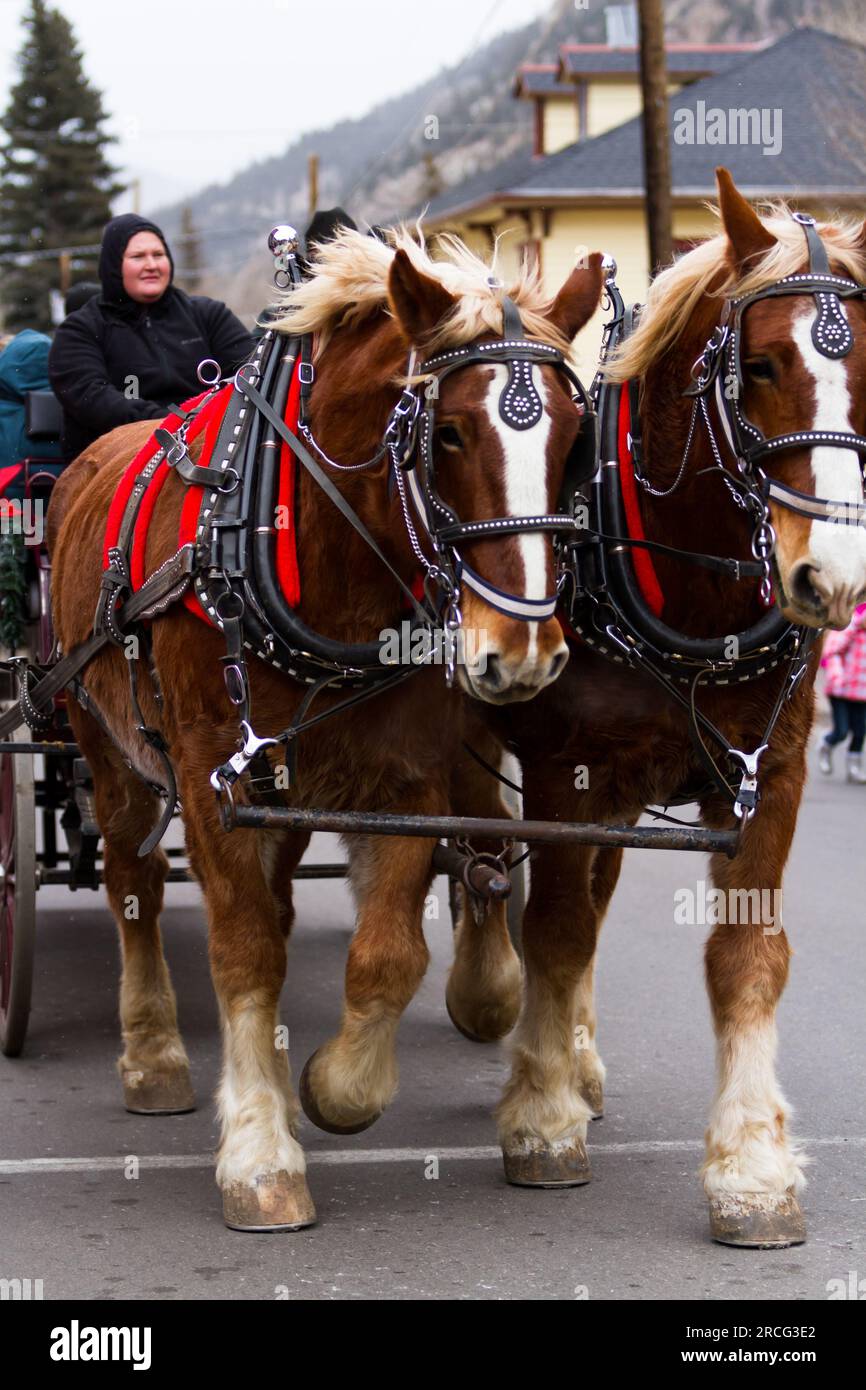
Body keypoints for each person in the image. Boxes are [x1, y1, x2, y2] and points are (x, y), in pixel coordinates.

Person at [48, 213, 254, 462]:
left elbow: (251, 374)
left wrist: (210, 423)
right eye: (138, 256)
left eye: (158, 255)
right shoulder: (81, 329)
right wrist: (178, 421)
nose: (151, 265)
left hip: (210, 450)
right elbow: (94, 400)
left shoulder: (208, 315)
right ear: (114, 265)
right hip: (117, 463)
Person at [819, 603, 866, 783]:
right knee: (842, 731)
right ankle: (825, 744)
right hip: (841, 688)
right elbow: (830, 650)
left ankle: (854, 768)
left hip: (862, 692)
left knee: (861, 731)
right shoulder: (849, 626)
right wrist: (854, 627)